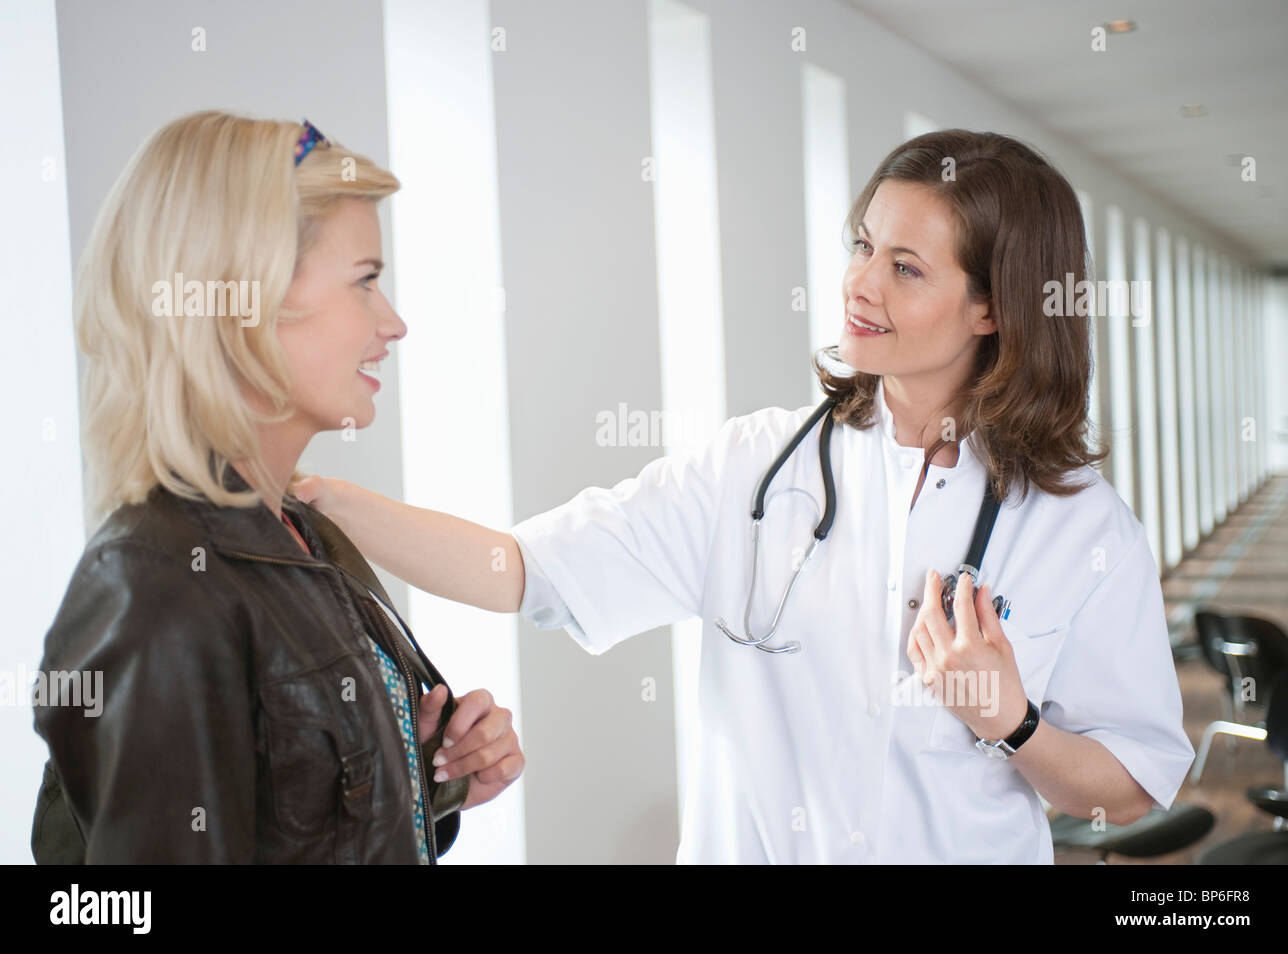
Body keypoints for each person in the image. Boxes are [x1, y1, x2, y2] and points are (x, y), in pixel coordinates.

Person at [295, 129, 1196, 863]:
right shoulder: (756, 469)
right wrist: (318, 498)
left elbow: (1130, 785)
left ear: (991, 308)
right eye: (862, 246)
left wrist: (1012, 722)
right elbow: (523, 570)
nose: (860, 283)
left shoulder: (1081, 526)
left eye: (906, 268)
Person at [30, 110, 522, 864]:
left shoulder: (300, 533)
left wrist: (425, 776)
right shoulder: (154, 585)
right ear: (243, 302)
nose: (393, 324)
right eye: (364, 283)